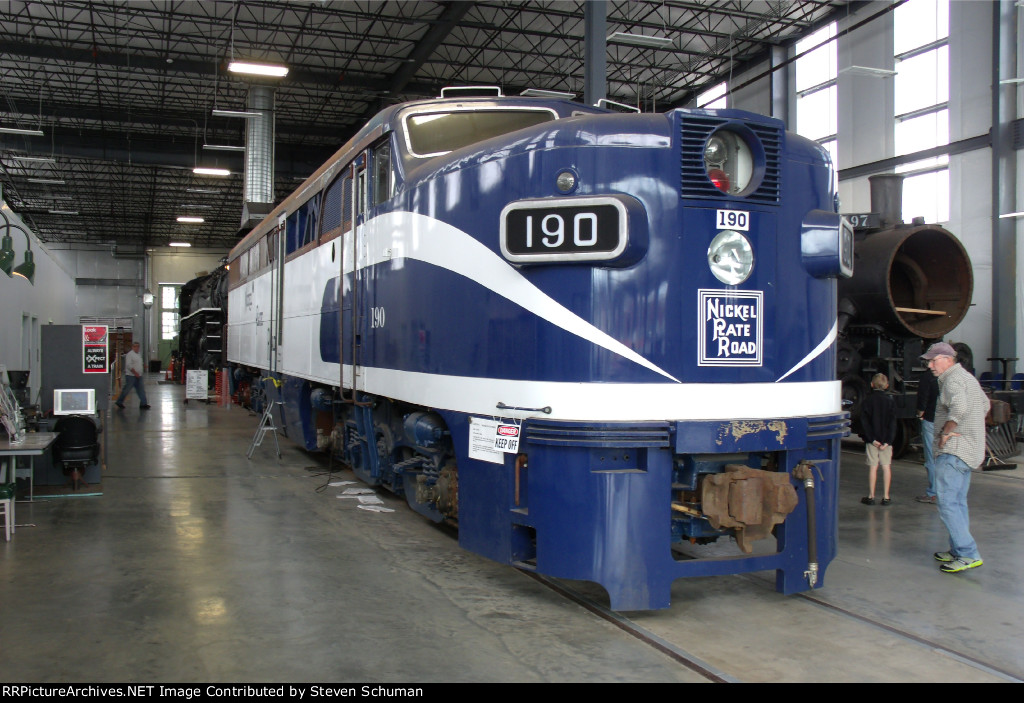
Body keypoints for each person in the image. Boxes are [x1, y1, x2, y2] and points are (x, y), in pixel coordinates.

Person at [921, 341, 989, 573]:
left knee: (948, 503)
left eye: (933, 360)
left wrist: (946, 433)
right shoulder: (967, 377)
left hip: (954, 451)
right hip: (968, 449)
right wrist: (972, 428)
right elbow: (985, 404)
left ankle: (968, 553)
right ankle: (958, 550)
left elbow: (958, 408)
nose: (930, 365)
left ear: (948, 359)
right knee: (958, 503)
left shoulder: (952, 379)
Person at [859, 373, 897, 506]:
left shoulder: (867, 401)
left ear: (871, 385)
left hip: (872, 441)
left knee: (873, 467)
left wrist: (872, 439)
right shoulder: (890, 402)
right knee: (886, 467)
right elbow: (892, 423)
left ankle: (871, 496)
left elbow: (864, 423)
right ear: (886, 386)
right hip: (886, 442)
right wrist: (887, 441)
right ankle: (886, 496)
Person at [914, 367, 939, 504]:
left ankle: (933, 493)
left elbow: (923, 397)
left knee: (931, 457)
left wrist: (920, 413)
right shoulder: (950, 375)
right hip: (946, 422)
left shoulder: (928, 376)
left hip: (930, 420)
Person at [115, 341, 150, 409]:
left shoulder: (138, 354)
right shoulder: (129, 355)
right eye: (135, 346)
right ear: (132, 347)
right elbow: (129, 365)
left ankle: (143, 403)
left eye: (138, 346)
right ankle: (119, 402)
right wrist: (135, 372)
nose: (137, 348)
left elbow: (139, 362)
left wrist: (143, 366)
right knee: (126, 390)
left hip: (139, 376)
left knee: (141, 390)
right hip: (131, 376)